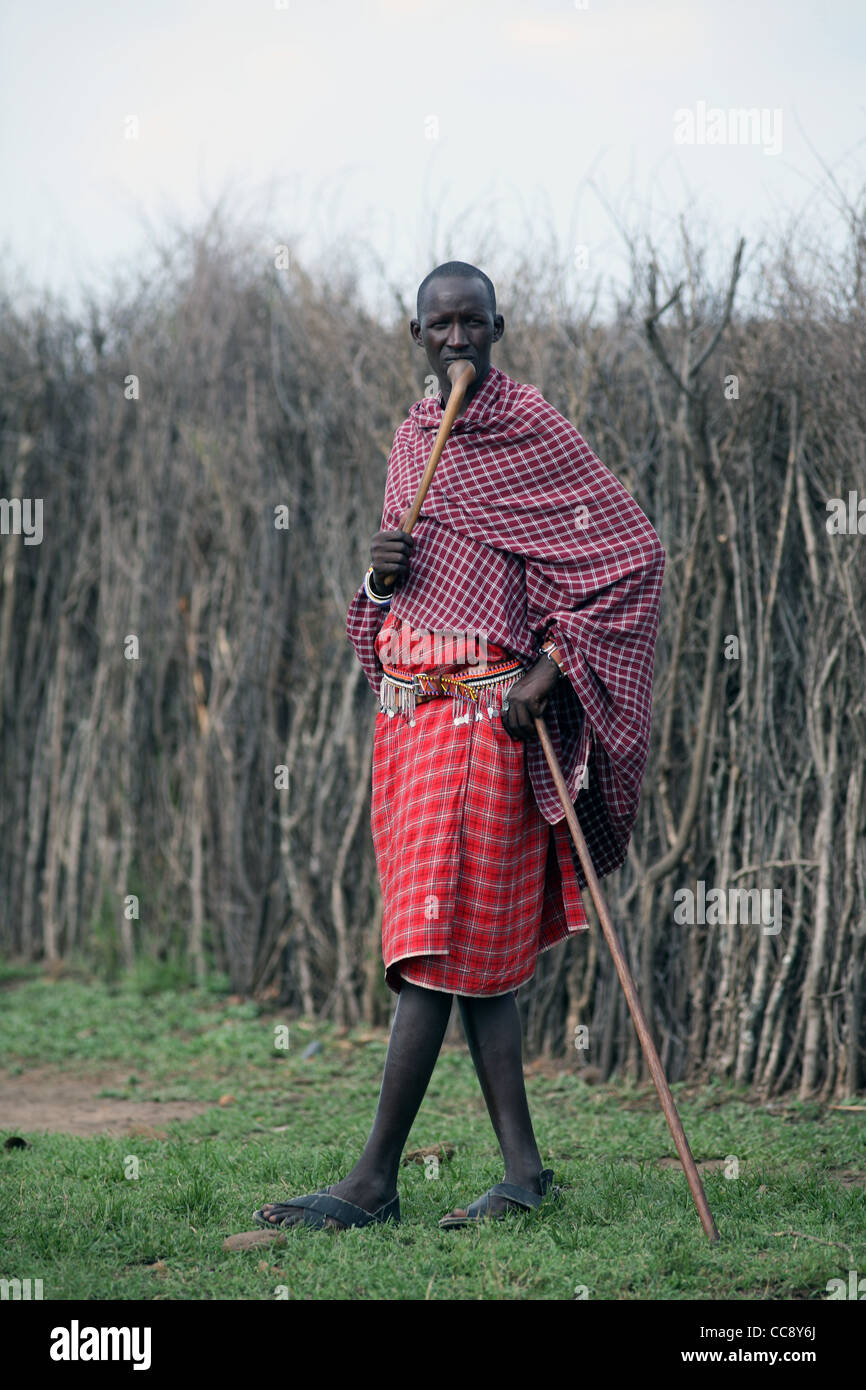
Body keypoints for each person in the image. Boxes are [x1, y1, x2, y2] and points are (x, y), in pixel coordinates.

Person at [255, 261, 665, 1231]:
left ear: (497, 325)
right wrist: (377, 570)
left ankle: (372, 1180)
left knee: (432, 949)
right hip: (404, 723)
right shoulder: (411, 437)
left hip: (483, 722)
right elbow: (391, 599)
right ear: (414, 333)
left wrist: (545, 672)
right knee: (472, 956)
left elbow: (628, 556)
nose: (454, 339)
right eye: (437, 325)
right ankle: (523, 1173)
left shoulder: (531, 431)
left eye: (469, 323)